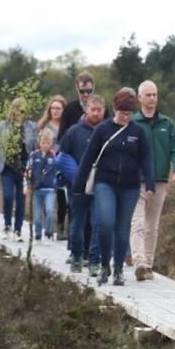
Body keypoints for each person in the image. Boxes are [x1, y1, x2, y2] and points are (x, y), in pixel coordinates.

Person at [74, 88, 155, 286]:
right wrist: (78, 184)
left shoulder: (138, 132)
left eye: (129, 114)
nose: (125, 117)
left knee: (122, 228)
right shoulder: (102, 130)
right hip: (105, 183)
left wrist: (150, 182)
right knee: (106, 222)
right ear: (114, 109)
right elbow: (88, 157)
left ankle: (118, 269)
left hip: (130, 186)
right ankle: (104, 266)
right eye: (122, 113)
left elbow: (146, 158)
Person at [129, 80, 175, 281]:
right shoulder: (133, 123)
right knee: (137, 222)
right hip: (137, 181)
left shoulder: (167, 124)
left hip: (160, 180)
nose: (152, 98)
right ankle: (139, 262)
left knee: (152, 226)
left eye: (154, 94)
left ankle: (148, 264)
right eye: (148, 95)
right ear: (139, 98)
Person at [59, 93, 106, 275]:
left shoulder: (108, 132)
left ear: (104, 111)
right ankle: (77, 256)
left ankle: (94, 260)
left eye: (99, 110)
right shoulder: (73, 132)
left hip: (100, 185)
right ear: (86, 109)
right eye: (93, 109)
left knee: (97, 223)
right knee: (77, 223)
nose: (95, 113)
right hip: (77, 185)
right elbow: (62, 157)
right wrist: (73, 176)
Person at [0, 96, 37, 240]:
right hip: (7, 167)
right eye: (18, 109)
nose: (20, 112)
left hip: (24, 168)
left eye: (23, 109)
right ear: (13, 109)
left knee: (21, 200)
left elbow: (34, 148)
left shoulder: (31, 126)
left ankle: (18, 230)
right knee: (8, 196)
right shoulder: (3, 125)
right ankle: (7, 224)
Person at [38, 94, 68, 239]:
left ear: (63, 110)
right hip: (47, 165)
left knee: (62, 198)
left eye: (58, 108)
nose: (55, 111)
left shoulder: (67, 126)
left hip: (62, 164)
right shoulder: (44, 126)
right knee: (47, 196)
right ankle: (47, 225)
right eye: (53, 108)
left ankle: (61, 228)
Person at [25, 127, 61, 240]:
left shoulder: (54, 157)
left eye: (48, 143)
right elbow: (28, 171)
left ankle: (49, 231)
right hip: (37, 190)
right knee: (37, 215)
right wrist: (26, 185)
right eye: (43, 142)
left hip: (50, 190)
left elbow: (58, 172)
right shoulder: (34, 156)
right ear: (39, 142)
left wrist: (58, 183)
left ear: (51, 143)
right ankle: (38, 233)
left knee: (50, 211)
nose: (45, 145)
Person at [59, 71, 109, 140]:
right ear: (76, 88)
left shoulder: (103, 109)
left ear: (93, 87)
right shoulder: (69, 109)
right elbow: (62, 136)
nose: (86, 94)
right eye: (82, 91)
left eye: (89, 91)